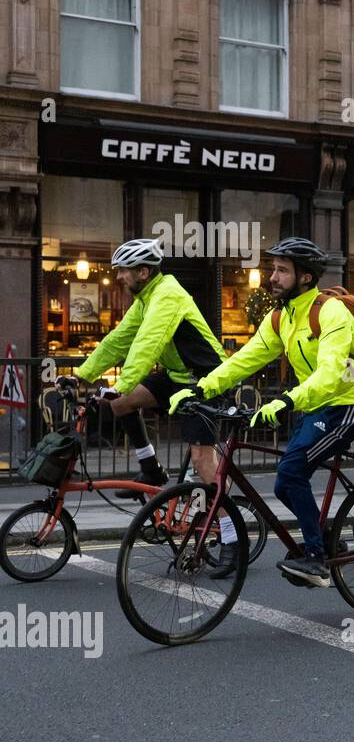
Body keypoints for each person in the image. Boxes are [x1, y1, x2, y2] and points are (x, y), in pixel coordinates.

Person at [170, 237, 354, 588]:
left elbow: (331, 371)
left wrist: (286, 400)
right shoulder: (281, 317)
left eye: (282, 270)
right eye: (273, 269)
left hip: (350, 404)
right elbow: (245, 359)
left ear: (306, 277)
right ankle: (326, 538)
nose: (273, 277)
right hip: (314, 405)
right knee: (284, 484)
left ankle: (316, 559)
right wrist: (201, 388)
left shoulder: (331, 312)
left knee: (292, 471)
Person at [62, 239, 233, 566]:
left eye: (124, 271)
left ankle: (230, 535)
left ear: (143, 271)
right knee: (121, 404)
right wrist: (81, 376)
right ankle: (151, 468)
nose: (119, 277)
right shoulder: (145, 298)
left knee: (202, 463)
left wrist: (121, 382)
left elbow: (148, 343)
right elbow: (119, 340)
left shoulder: (167, 295)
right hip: (176, 376)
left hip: (205, 380)